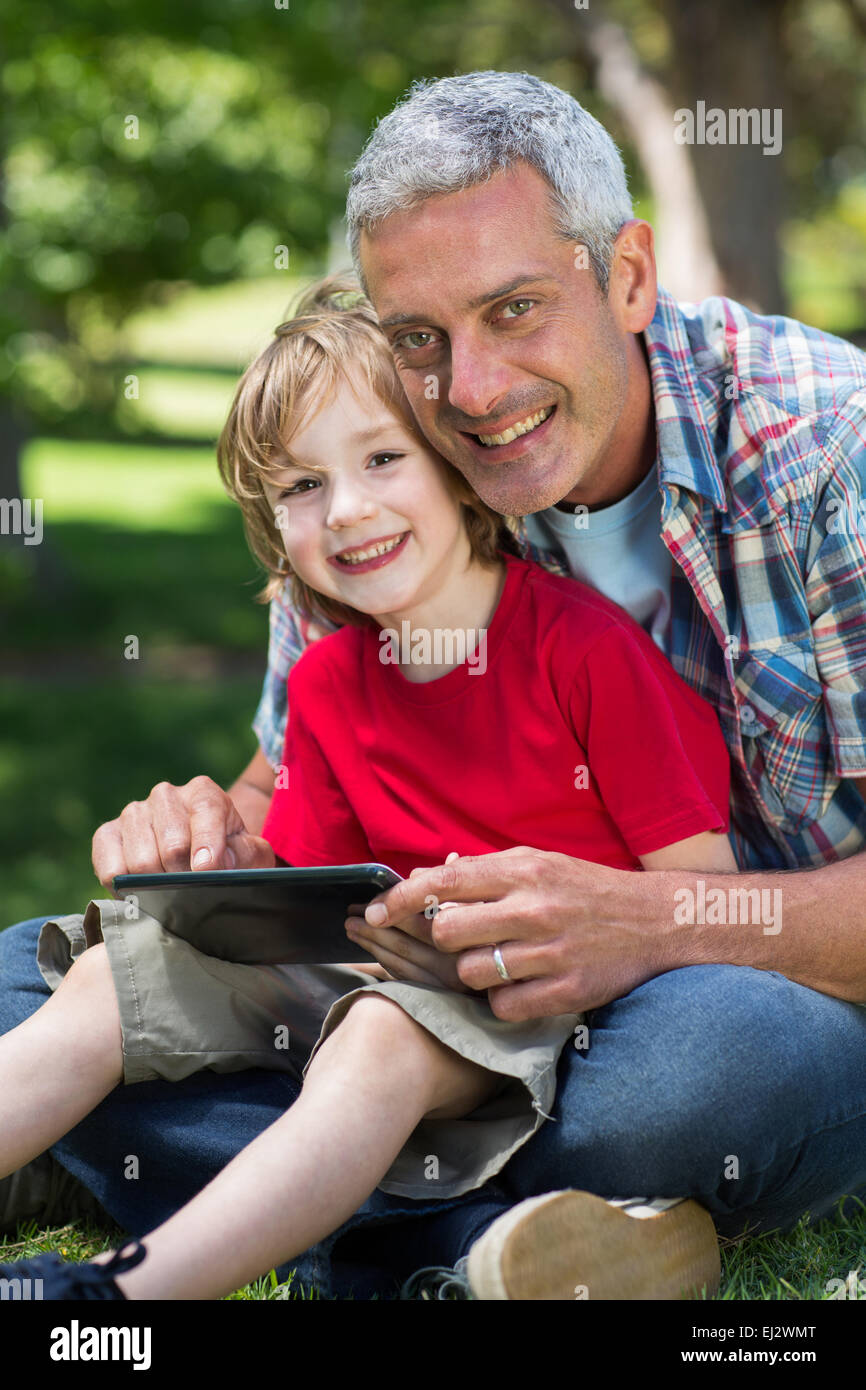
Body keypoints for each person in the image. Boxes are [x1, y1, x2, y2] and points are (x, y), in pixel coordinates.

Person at [2, 69, 866, 1301]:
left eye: (513, 308)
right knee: (42, 975)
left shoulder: (828, 452)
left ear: (625, 276)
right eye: (417, 337)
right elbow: (290, 816)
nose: (465, 389)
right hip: (403, 988)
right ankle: (494, 1242)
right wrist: (202, 841)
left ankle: (157, 1174)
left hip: (751, 995)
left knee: (705, 1074)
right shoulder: (385, 502)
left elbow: (695, 911)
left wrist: (645, 925)